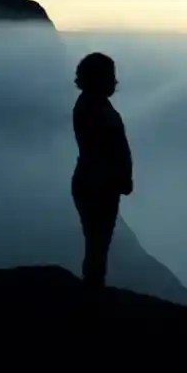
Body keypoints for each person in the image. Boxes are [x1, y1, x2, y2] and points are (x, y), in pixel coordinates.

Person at [71, 52, 133, 289]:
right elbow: (106, 149)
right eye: (109, 76)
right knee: (98, 243)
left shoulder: (91, 104)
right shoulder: (94, 108)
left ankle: (93, 290)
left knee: (97, 243)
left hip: (95, 182)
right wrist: (120, 177)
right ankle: (93, 294)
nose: (114, 82)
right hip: (98, 185)